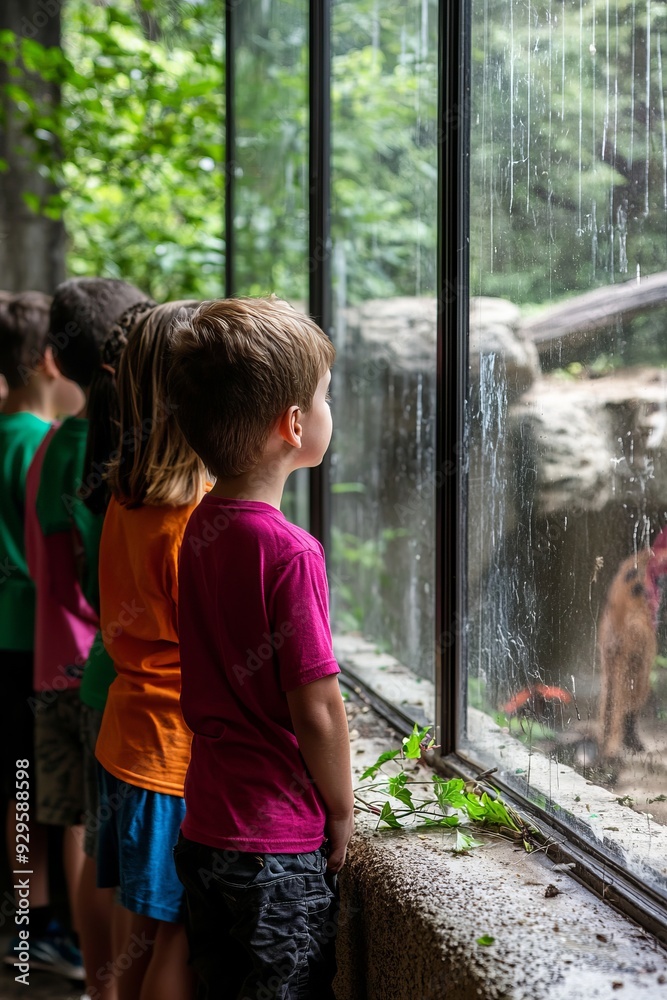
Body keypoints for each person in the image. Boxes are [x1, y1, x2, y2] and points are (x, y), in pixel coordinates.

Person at [168, 297, 354, 1000]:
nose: (329, 410)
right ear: (295, 425)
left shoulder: (200, 528)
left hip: (206, 830)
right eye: (324, 397)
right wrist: (338, 807)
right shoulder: (290, 551)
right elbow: (318, 711)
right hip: (275, 846)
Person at [24, 277, 147, 990]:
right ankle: (67, 953)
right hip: (91, 665)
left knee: (63, 817)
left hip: (54, 660)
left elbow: (55, 563)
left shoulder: (51, 449)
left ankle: (59, 946)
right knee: (90, 832)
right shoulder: (118, 460)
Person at [94, 301, 207, 1000]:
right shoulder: (192, 516)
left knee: (135, 926)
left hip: (128, 738)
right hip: (172, 757)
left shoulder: (128, 496)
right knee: (181, 932)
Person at [0, 291, 84, 976]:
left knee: (17, 783)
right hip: (33, 638)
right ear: (49, 362)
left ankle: (27, 924)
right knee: (37, 789)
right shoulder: (37, 444)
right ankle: (43, 932)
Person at [76, 297, 154, 1000]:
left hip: (108, 689)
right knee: (145, 903)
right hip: (148, 729)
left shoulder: (112, 488)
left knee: (102, 859)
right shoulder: (174, 508)